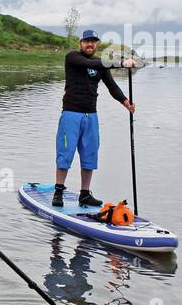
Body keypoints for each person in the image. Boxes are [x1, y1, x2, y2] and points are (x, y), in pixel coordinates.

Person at [52, 29, 135, 208]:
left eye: (93, 41)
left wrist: (125, 101)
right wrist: (122, 62)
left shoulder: (100, 63)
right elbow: (96, 64)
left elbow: (112, 87)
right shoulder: (72, 57)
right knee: (65, 153)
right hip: (71, 114)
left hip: (91, 115)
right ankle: (58, 191)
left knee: (90, 154)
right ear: (80, 43)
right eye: (86, 41)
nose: (90, 44)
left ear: (97, 44)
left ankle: (84, 194)